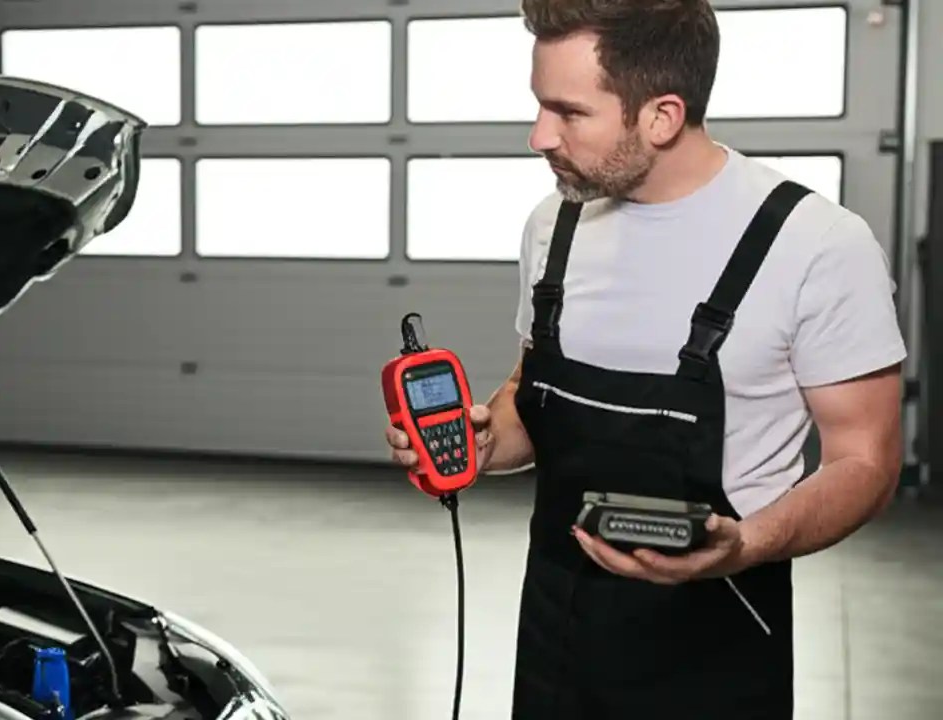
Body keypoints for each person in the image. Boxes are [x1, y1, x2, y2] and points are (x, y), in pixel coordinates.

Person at [384, 0, 905, 717]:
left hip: (718, 643)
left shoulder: (816, 245)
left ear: (660, 116)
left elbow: (866, 463)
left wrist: (745, 544)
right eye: (540, 106)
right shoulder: (552, 226)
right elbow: (532, 394)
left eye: (568, 113)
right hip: (555, 631)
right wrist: (481, 439)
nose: (538, 136)